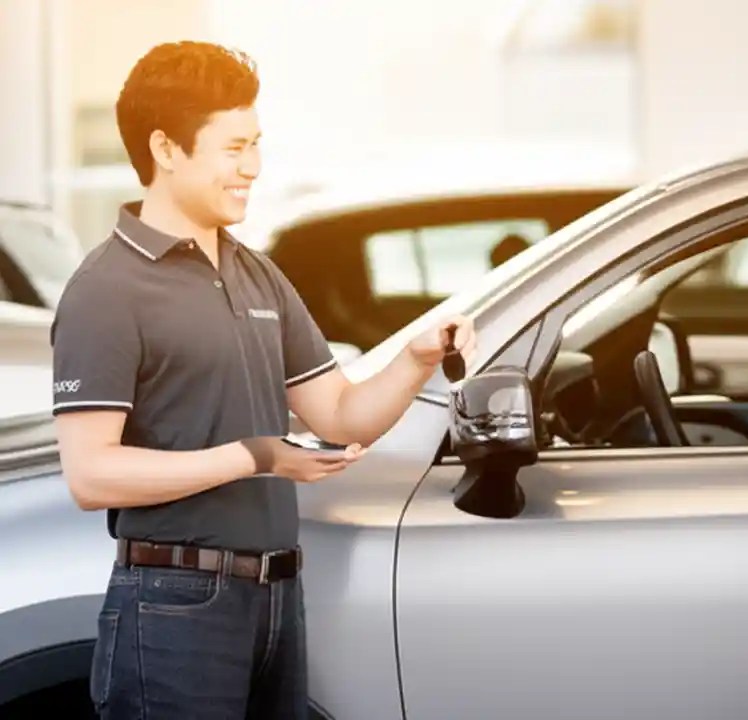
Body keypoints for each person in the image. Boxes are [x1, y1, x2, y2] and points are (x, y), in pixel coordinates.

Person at [51, 42, 476, 719]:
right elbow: (91, 475)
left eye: (256, 145)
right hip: (172, 606)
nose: (252, 166)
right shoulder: (107, 287)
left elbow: (340, 413)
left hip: (276, 600)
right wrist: (257, 456)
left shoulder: (256, 273)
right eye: (233, 147)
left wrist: (416, 358)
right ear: (166, 148)